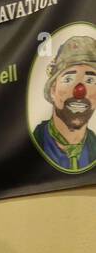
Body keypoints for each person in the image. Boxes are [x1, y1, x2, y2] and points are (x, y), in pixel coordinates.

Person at [30, 35, 96, 173]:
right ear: (53, 89)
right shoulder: (32, 145)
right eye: (69, 79)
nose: (79, 91)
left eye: (90, 81)